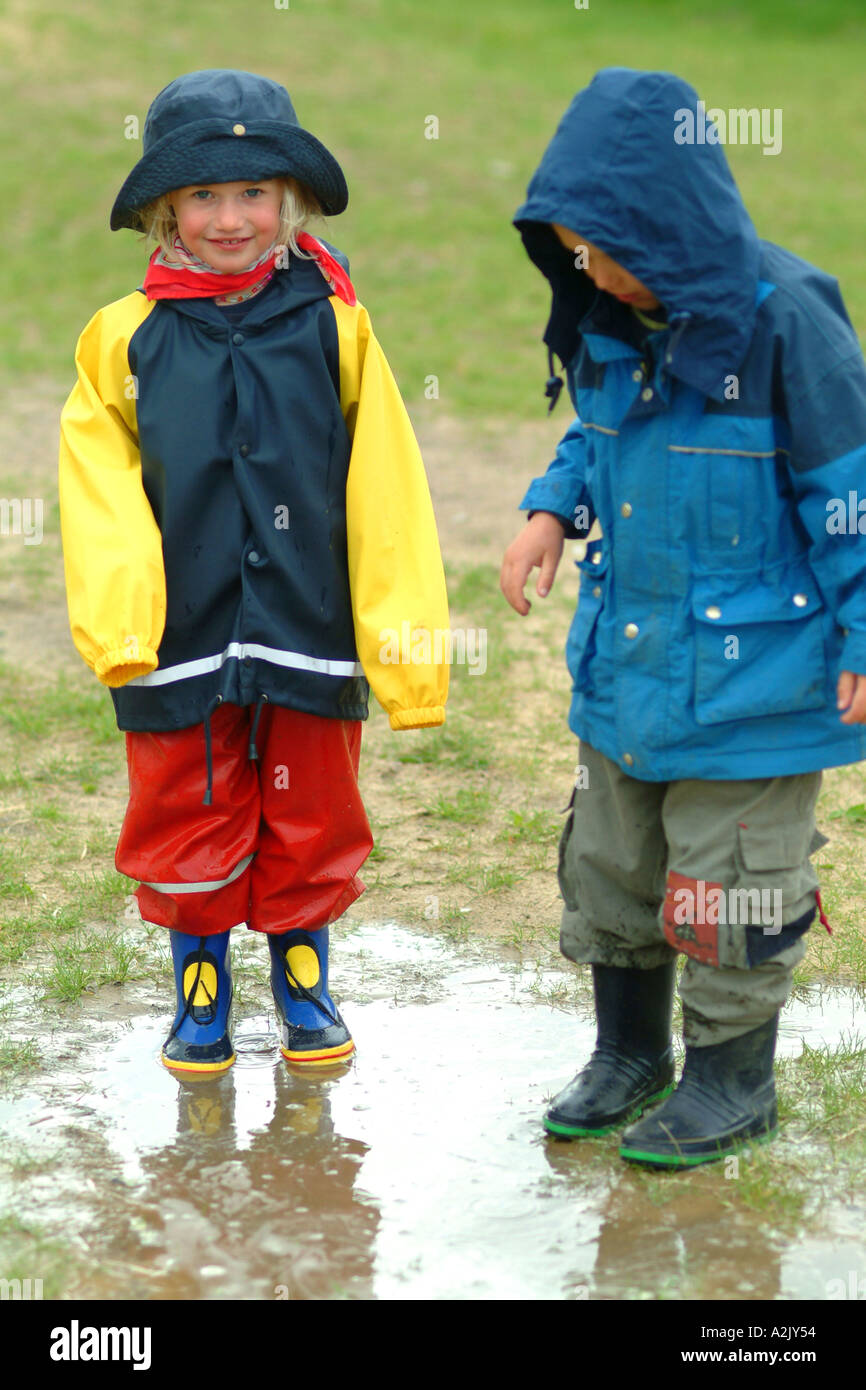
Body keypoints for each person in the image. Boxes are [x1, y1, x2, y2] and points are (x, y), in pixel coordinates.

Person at [501, 68, 866, 1167]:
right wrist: (548, 508)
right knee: (612, 863)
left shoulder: (786, 325)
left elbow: (849, 491)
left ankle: (727, 1080)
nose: (590, 268)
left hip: (756, 685)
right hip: (630, 666)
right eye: (573, 250)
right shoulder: (610, 316)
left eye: (605, 247)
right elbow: (596, 436)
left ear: (670, 225)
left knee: (731, 881)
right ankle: (628, 1053)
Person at [59, 69, 449, 1076]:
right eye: (202, 195)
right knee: (186, 810)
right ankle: (200, 989)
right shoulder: (122, 338)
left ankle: (302, 977)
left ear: (290, 203)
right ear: (163, 210)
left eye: (252, 193)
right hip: (179, 634)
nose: (228, 218)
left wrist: (403, 646)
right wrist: (122, 629)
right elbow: (98, 496)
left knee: (311, 808)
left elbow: (386, 488)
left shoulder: (337, 322)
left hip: (306, 621)